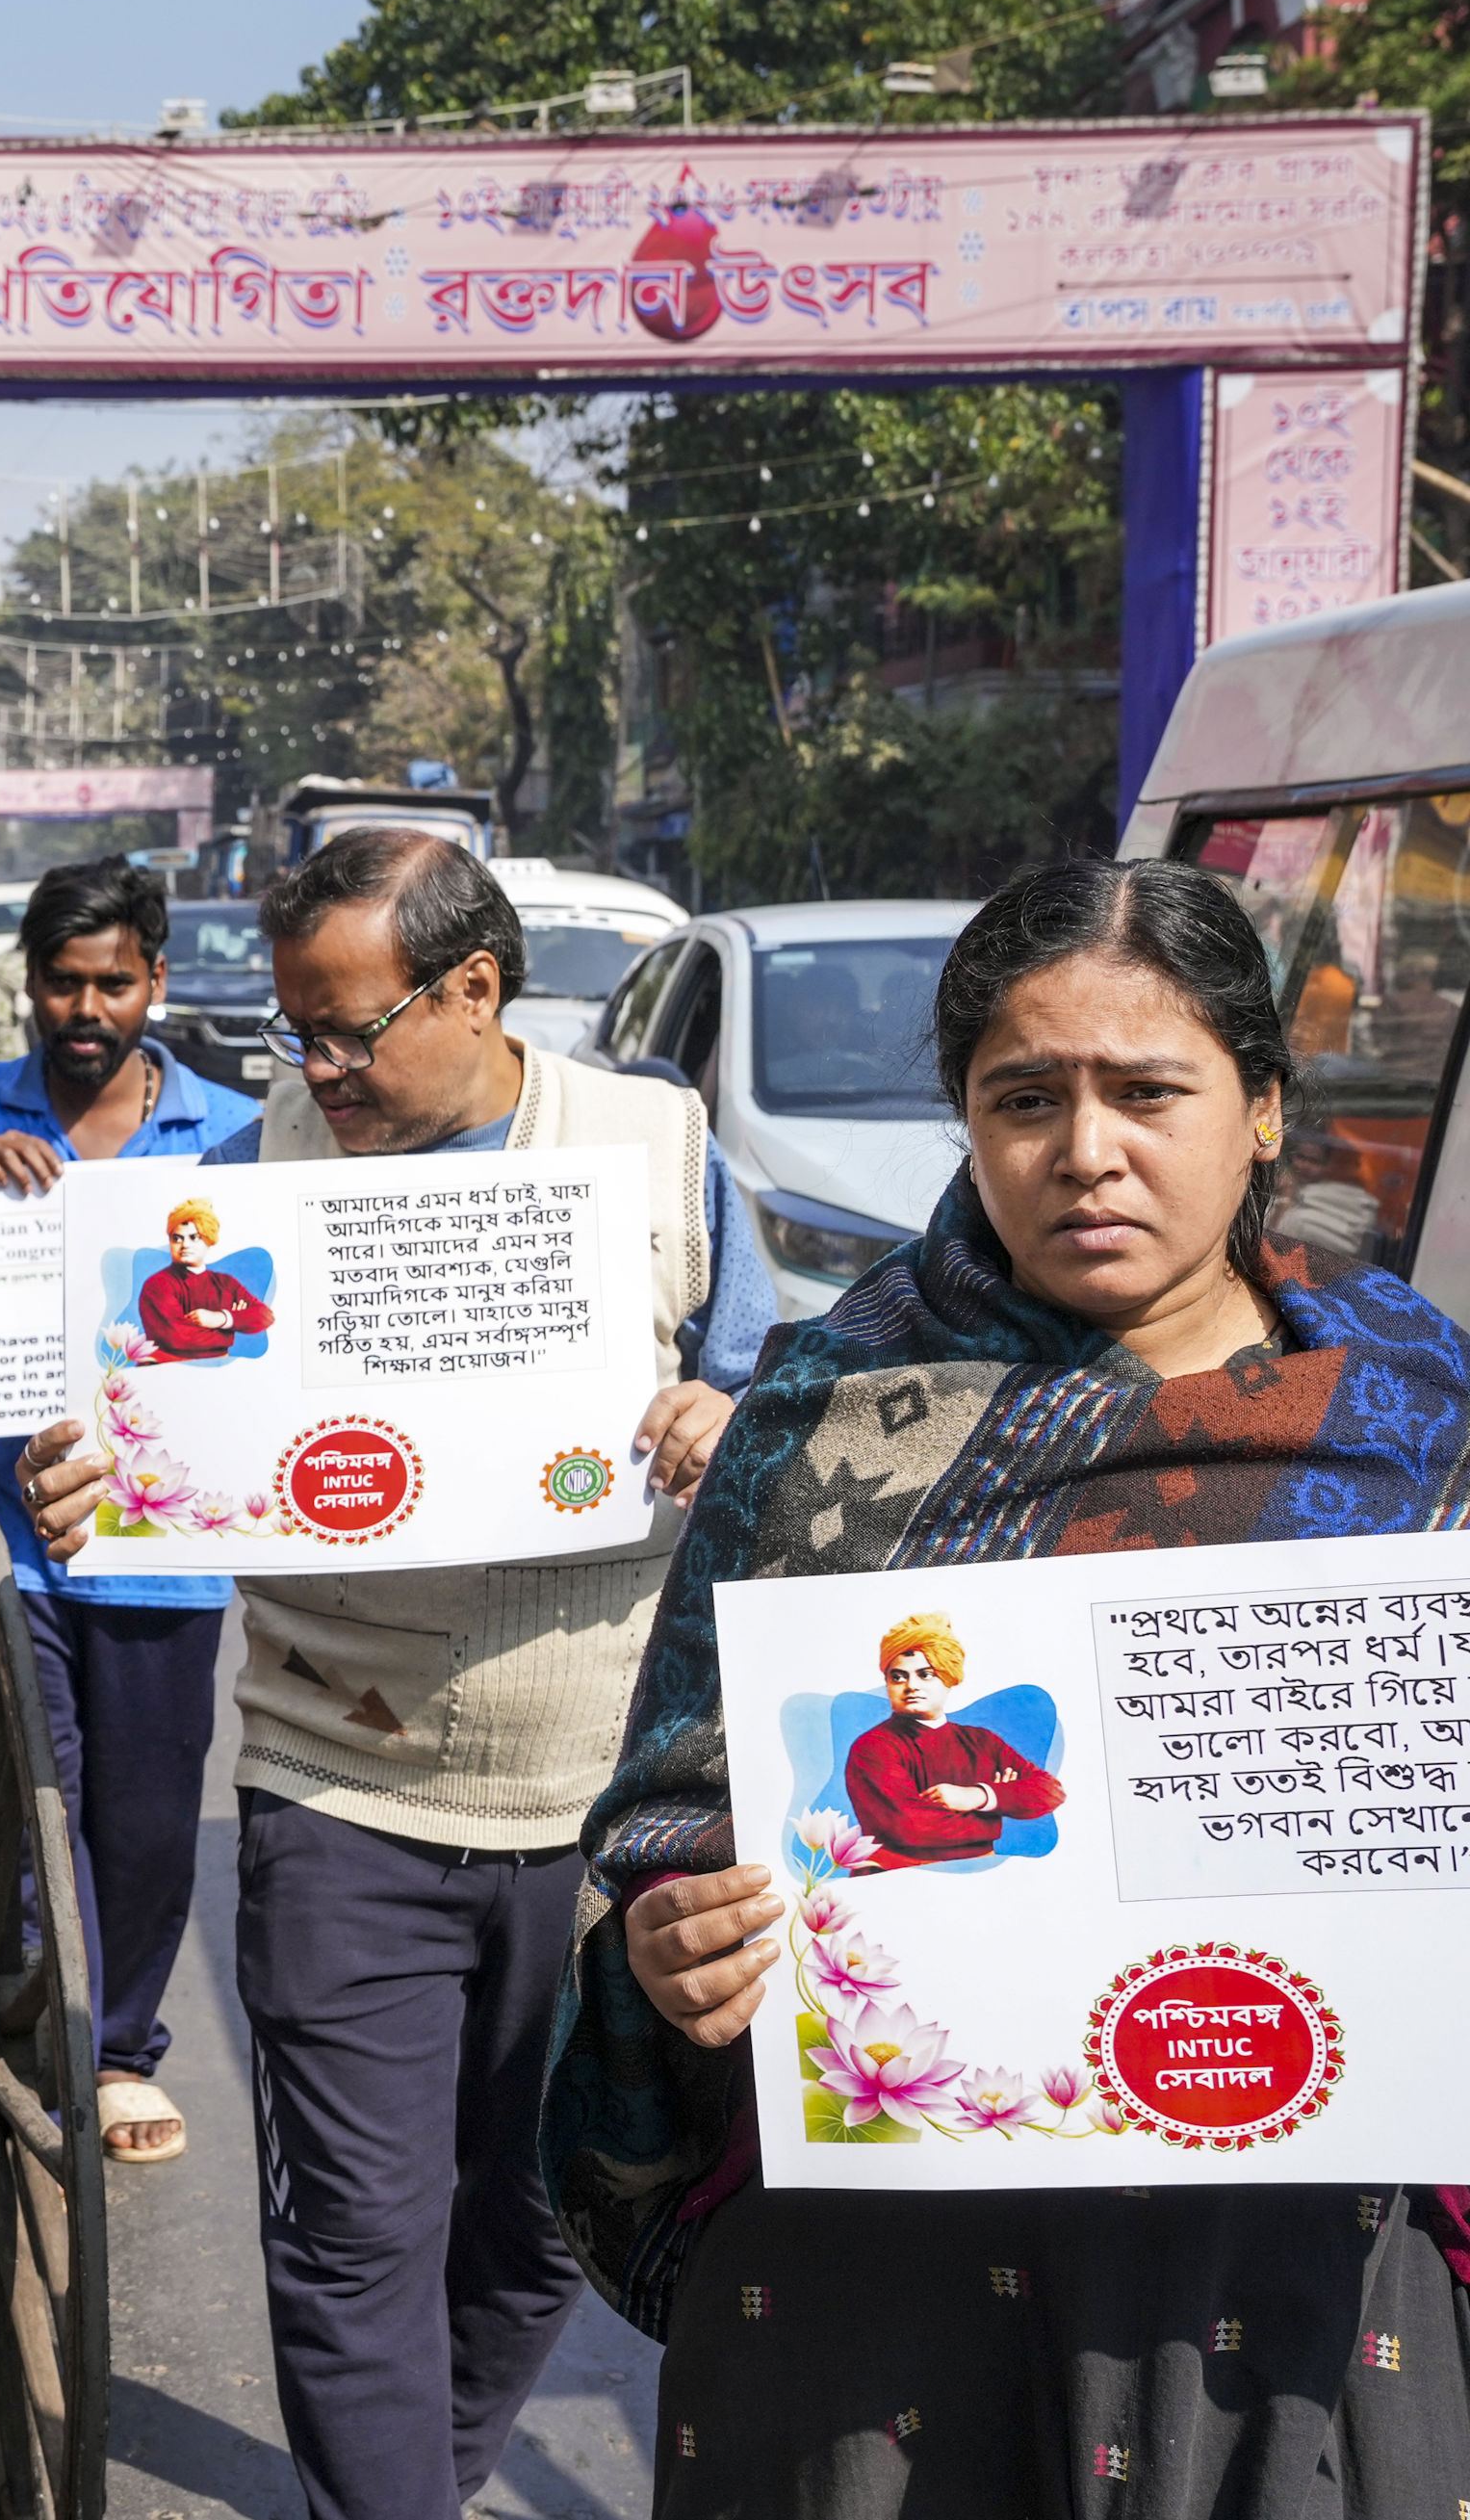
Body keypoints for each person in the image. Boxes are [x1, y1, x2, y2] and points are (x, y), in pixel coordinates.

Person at [554, 856, 1470, 2518]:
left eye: (1148, 1092)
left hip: (1288, 2256)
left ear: (1260, 1109)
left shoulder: (1415, 1417)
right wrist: (662, 1952)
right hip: (880, 2273)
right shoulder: (825, 1425)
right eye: (1024, 1098)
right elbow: (670, 1823)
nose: (1086, 1151)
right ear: (966, 1123)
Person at [9, 827, 770, 2520]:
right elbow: (126, 1420)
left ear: (477, 988)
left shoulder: (655, 1151)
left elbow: (785, 1396)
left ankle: (412, 2479)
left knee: (537, 2221)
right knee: (351, 2236)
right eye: (297, 1031)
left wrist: (731, 1418)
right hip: (335, 1780)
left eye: (350, 1029)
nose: (320, 1069)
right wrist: (94, 1471)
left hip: (599, 1799)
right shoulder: (236, 1167)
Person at [0, 856, 246, 2189]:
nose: (84, 1008)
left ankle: (124, 2044)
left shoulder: (228, 1131)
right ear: (26, 984)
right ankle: (45, 2056)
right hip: (9, 1532)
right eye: (60, 982)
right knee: (34, 1803)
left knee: (146, 1818)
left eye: (113, 982)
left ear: (155, 980)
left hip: (169, 1547)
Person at [838, 1614, 1064, 1868]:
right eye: (898, 1677)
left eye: (925, 1674)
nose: (911, 1686)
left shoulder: (981, 1741)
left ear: (948, 1679)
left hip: (981, 1879)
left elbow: (1050, 1791)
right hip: (900, 1882)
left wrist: (977, 1796)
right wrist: (998, 1812)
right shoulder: (873, 1747)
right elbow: (910, 1828)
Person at [136, 1197, 271, 1363]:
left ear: (208, 1240)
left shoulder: (225, 1283)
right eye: (177, 1238)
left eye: (194, 1237)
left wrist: (220, 1318)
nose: (185, 1245)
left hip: (218, 1373)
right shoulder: (157, 1285)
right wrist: (231, 1328)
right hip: (168, 1372)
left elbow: (265, 1316)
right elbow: (178, 1338)